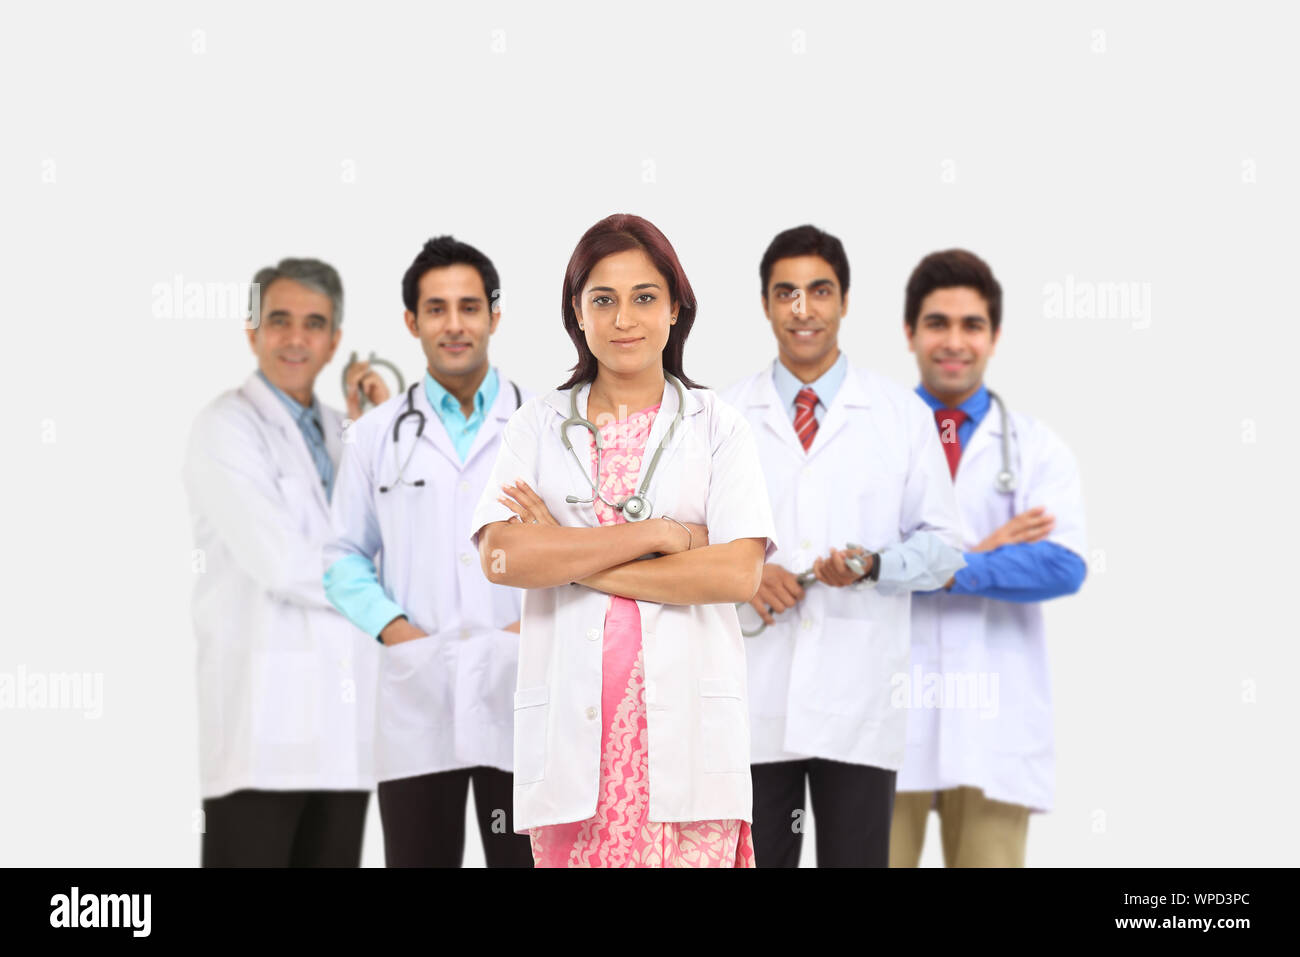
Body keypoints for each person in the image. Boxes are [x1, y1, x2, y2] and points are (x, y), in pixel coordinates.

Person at [469, 213, 778, 867]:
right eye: (602, 299)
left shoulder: (718, 426)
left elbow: (737, 574)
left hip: (690, 750)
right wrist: (661, 534)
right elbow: (501, 555)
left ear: (675, 309)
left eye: (644, 297)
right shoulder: (537, 425)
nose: (624, 319)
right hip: (576, 752)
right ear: (576, 313)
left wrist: (565, 554)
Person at [720, 225, 966, 867]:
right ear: (767, 304)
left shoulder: (899, 415)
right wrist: (746, 575)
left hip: (856, 702)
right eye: (786, 293)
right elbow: (679, 547)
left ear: (845, 301)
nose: (803, 310)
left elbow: (946, 550)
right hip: (751, 702)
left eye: (819, 291)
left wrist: (874, 565)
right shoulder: (720, 417)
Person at [323, 236, 534, 867]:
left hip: (523, 688)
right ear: (412, 322)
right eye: (436, 309)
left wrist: (534, 629)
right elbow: (342, 556)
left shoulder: (545, 427)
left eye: (469, 307)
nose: (455, 325)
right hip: (417, 694)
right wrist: (398, 633)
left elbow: (582, 552)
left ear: (494, 315)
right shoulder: (374, 436)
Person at [182, 257, 384, 867]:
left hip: (344, 736)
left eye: (314, 323)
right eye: (280, 320)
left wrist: (372, 428)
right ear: (253, 331)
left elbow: (393, 531)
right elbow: (282, 561)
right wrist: (386, 597)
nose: (296, 338)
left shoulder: (343, 430)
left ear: (334, 341)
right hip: (261, 729)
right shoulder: (226, 427)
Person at [891, 249, 1088, 868]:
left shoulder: (1036, 447)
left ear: (995, 336)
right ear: (910, 333)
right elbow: (854, 568)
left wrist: (935, 564)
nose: (954, 341)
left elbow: (1063, 566)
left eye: (971, 325)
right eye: (937, 323)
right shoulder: (874, 440)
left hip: (995, 727)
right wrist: (985, 552)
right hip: (887, 717)